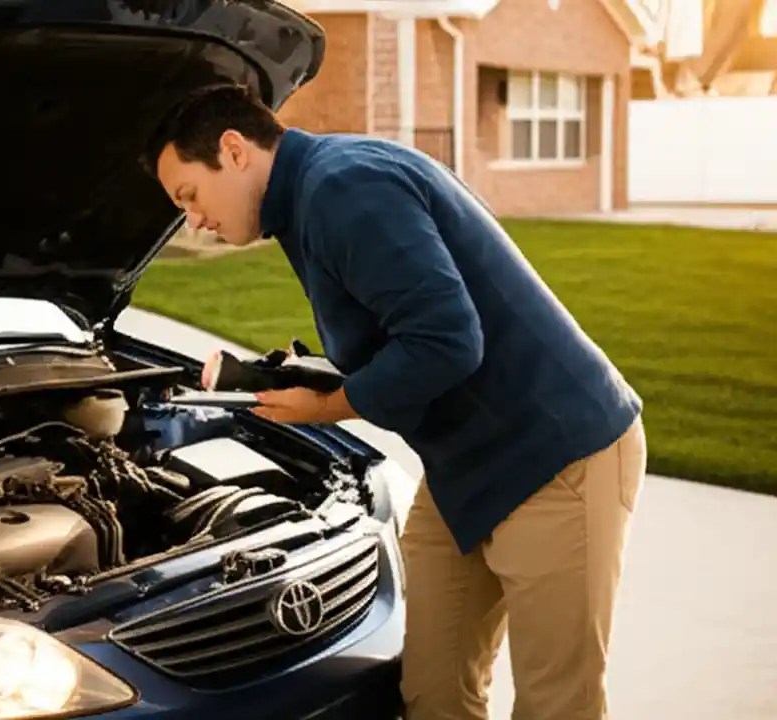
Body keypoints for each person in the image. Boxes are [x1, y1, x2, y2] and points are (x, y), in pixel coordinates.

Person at [139, 83, 647, 720]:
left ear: (234, 150)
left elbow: (447, 341)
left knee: (556, 706)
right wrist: (315, 374)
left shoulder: (341, 190)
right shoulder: (312, 195)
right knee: (433, 694)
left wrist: (328, 406)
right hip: (466, 463)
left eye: (188, 195)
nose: (194, 220)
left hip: (556, 455)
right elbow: (403, 329)